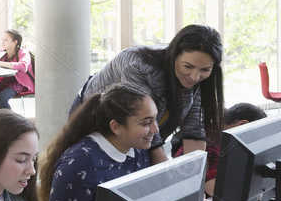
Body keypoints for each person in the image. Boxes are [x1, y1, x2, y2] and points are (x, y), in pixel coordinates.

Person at [74, 24, 224, 165]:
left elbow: (194, 132)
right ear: (174, 54)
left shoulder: (199, 81)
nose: (194, 77)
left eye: (204, 70)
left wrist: (194, 178)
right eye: (187, 67)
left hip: (143, 130)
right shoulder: (137, 65)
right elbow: (143, 121)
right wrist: (169, 179)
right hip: (98, 120)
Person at [39, 83, 159, 201]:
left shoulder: (137, 149)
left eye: (155, 119)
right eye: (146, 123)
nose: (155, 130)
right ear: (115, 127)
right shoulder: (81, 161)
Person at [203, 102, 269, 196]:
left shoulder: (223, 140)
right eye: (255, 138)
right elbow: (213, 188)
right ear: (242, 125)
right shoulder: (212, 145)